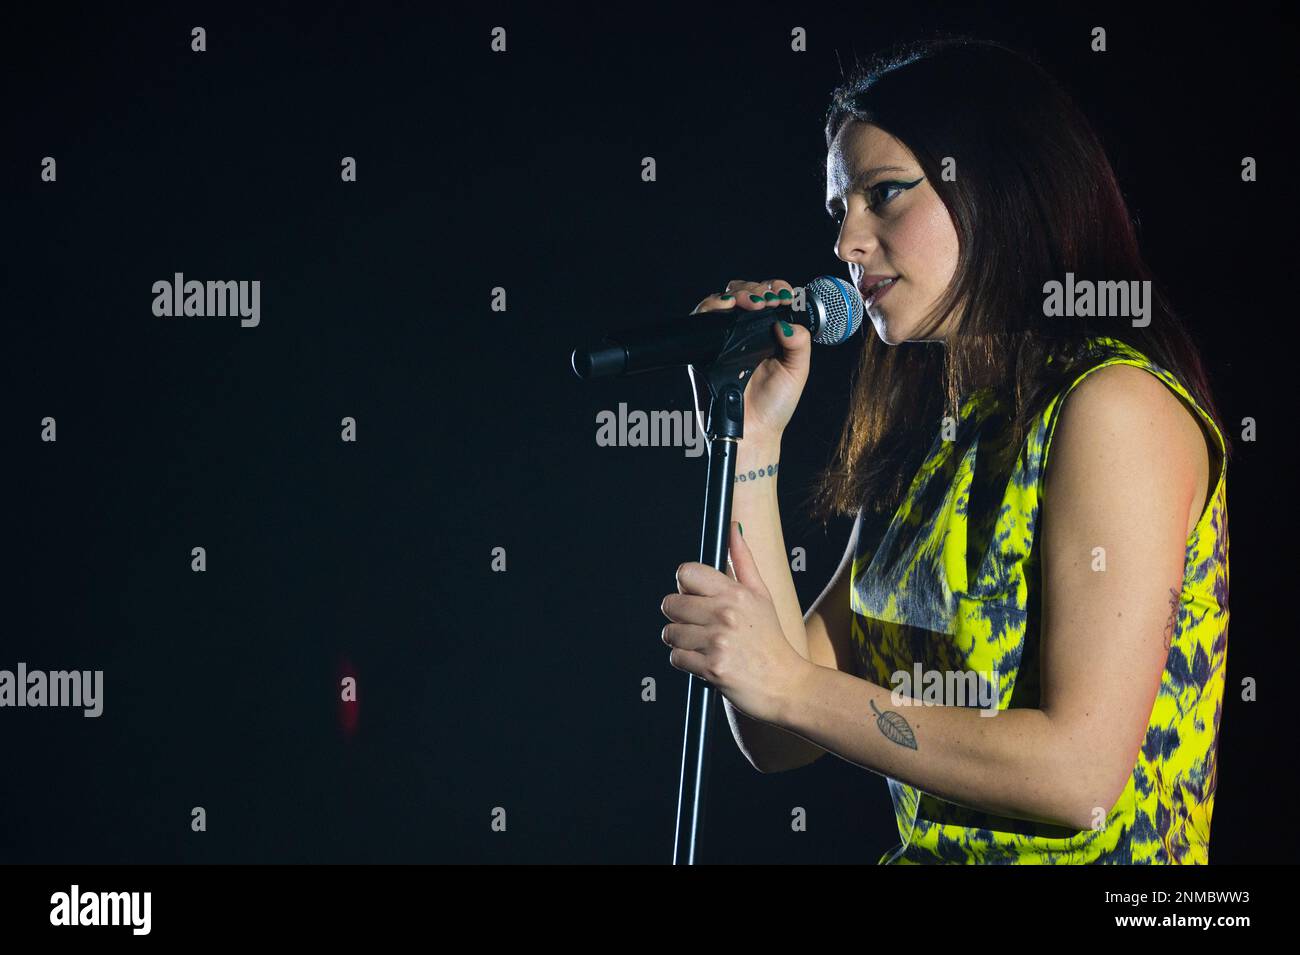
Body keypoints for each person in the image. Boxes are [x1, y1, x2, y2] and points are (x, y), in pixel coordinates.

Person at [660, 36, 1230, 864]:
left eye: (885, 195)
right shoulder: (930, 435)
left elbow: (1081, 775)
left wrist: (791, 684)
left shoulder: (1113, 406)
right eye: (840, 210)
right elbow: (780, 731)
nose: (847, 243)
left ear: (1000, 185)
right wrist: (752, 441)